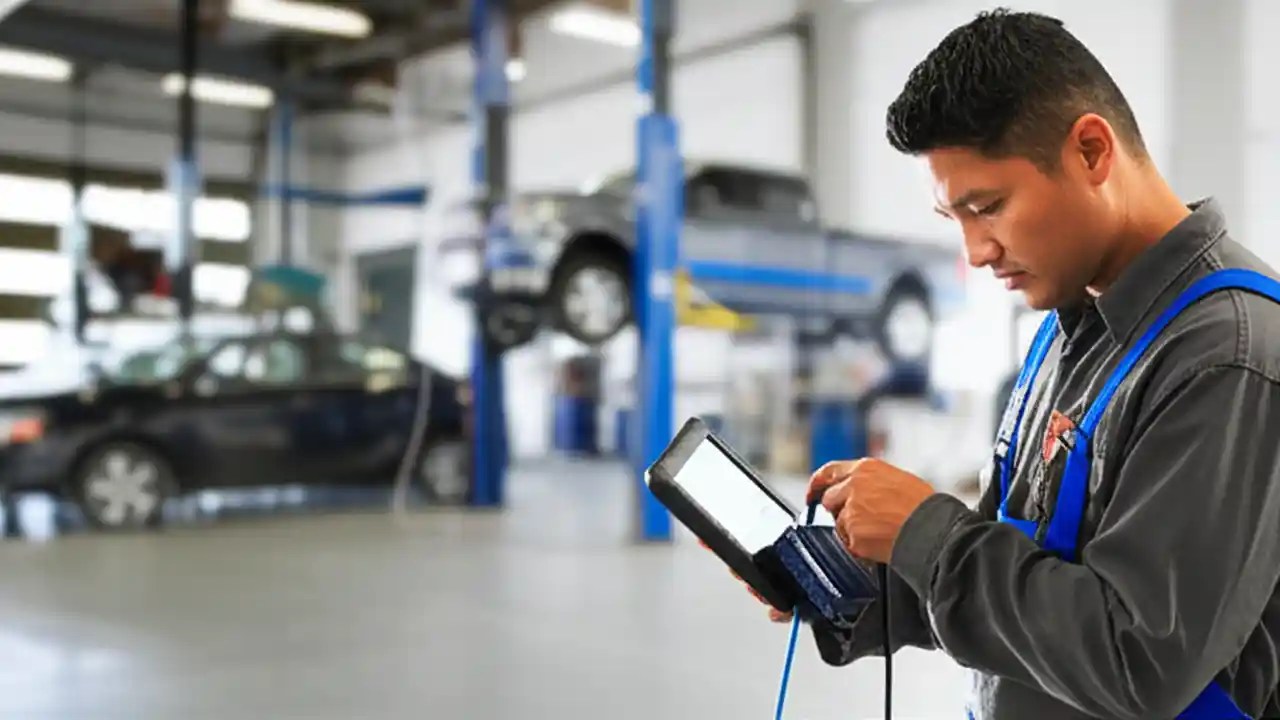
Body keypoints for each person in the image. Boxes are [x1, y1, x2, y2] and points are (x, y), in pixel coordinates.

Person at [750, 8, 1280, 719]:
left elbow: (1139, 661)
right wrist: (851, 583)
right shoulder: (1071, 327)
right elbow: (1030, 577)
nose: (975, 251)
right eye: (955, 221)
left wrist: (927, 534)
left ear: (1092, 151)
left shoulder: (1226, 354)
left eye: (988, 207)